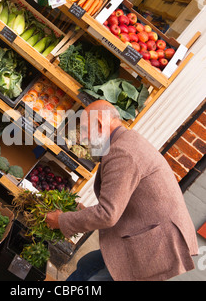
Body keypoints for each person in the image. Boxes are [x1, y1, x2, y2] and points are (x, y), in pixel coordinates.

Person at [46, 100, 198, 281]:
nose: (83, 138)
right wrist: (84, 213)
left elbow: (107, 214)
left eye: (86, 130)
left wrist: (62, 221)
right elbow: (120, 203)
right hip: (146, 233)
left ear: (100, 125)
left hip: (155, 245)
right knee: (87, 264)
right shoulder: (124, 142)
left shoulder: (122, 152)